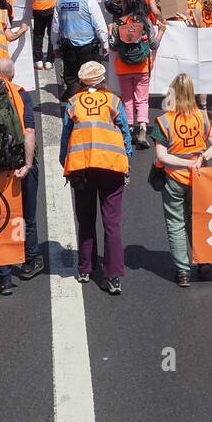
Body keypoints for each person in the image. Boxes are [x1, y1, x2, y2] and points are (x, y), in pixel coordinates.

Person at [61, 61, 132, 295]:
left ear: (82, 82)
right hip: (111, 166)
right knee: (112, 223)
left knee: (86, 218)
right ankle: (113, 276)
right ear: (103, 80)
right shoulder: (113, 101)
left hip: (82, 166)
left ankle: (85, 268)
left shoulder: (72, 103)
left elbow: (66, 136)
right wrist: (126, 162)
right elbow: (124, 133)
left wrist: (66, 163)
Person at [151, 72, 212, 288]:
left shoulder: (164, 121)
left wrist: (185, 163)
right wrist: (200, 159)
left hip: (174, 177)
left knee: (176, 223)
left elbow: (162, 157)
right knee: (198, 219)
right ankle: (203, 261)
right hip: (199, 178)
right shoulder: (201, 117)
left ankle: (183, 271)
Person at [0, 57, 42, 295]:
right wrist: (28, 163)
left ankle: (3, 276)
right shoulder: (21, 94)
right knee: (27, 215)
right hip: (20, 162)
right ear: (11, 76)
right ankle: (29, 262)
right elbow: (29, 130)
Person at [109, 0, 157, 147]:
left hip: (123, 67)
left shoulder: (119, 23)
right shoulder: (145, 22)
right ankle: (142, 128)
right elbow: (153, 44)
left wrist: (111, 34)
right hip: (142, 67)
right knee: (142, 100)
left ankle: (129, 129)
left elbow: (113, 47)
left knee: (127, 100)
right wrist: (162, 31)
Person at [53, 0, 109, 101]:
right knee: (91, 77)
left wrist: (55, 46)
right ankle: (91, 105)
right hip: (88, 48)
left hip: (68, 47)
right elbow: (100, 25)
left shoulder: (60, 1)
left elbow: (55, 27)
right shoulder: (89, 0)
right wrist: (105, 43)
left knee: (72, 79)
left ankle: (73, 107)